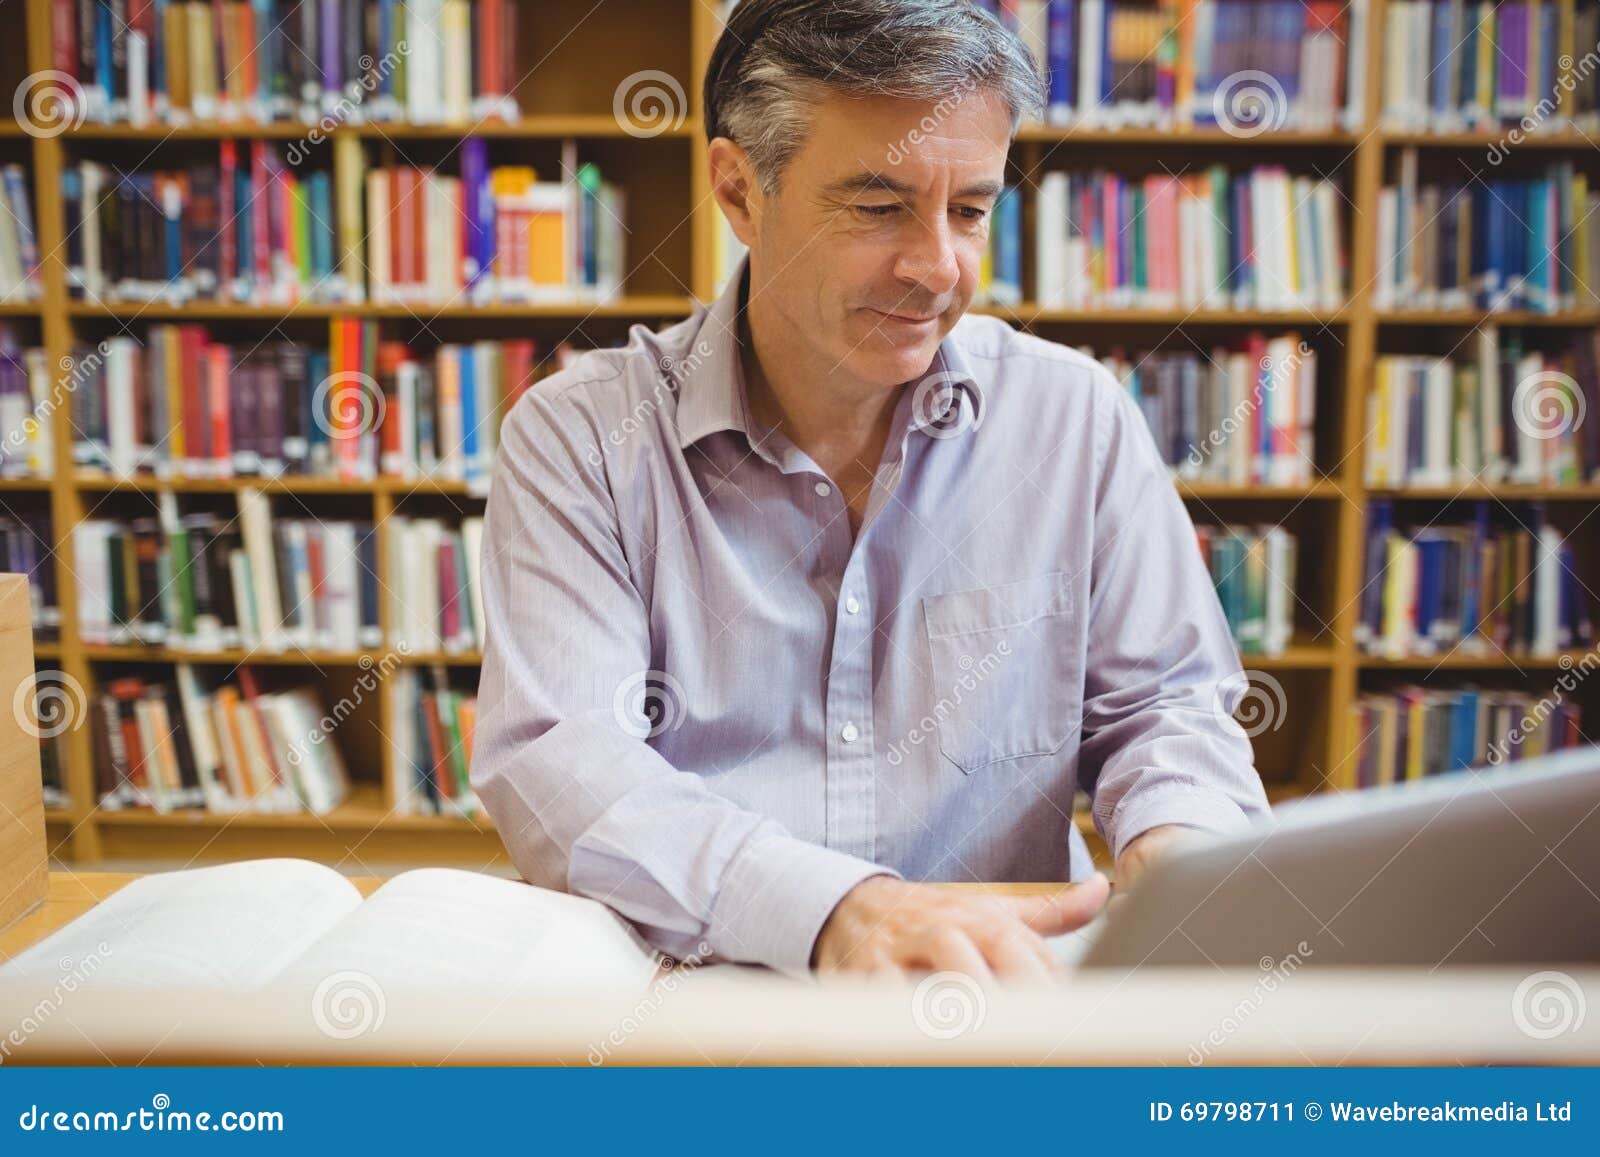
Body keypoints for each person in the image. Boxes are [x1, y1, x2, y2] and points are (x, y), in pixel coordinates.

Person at [471, 0, 1270, 982]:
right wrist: (836, 912)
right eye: (877, 206)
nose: (938, 266)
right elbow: (566, 762)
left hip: (1003, 992)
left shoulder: (1075, 419)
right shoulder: (585, 437)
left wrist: (1179, 844)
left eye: (970, 209)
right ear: (737, 189)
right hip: (718, 1005)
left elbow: (1165, 710)